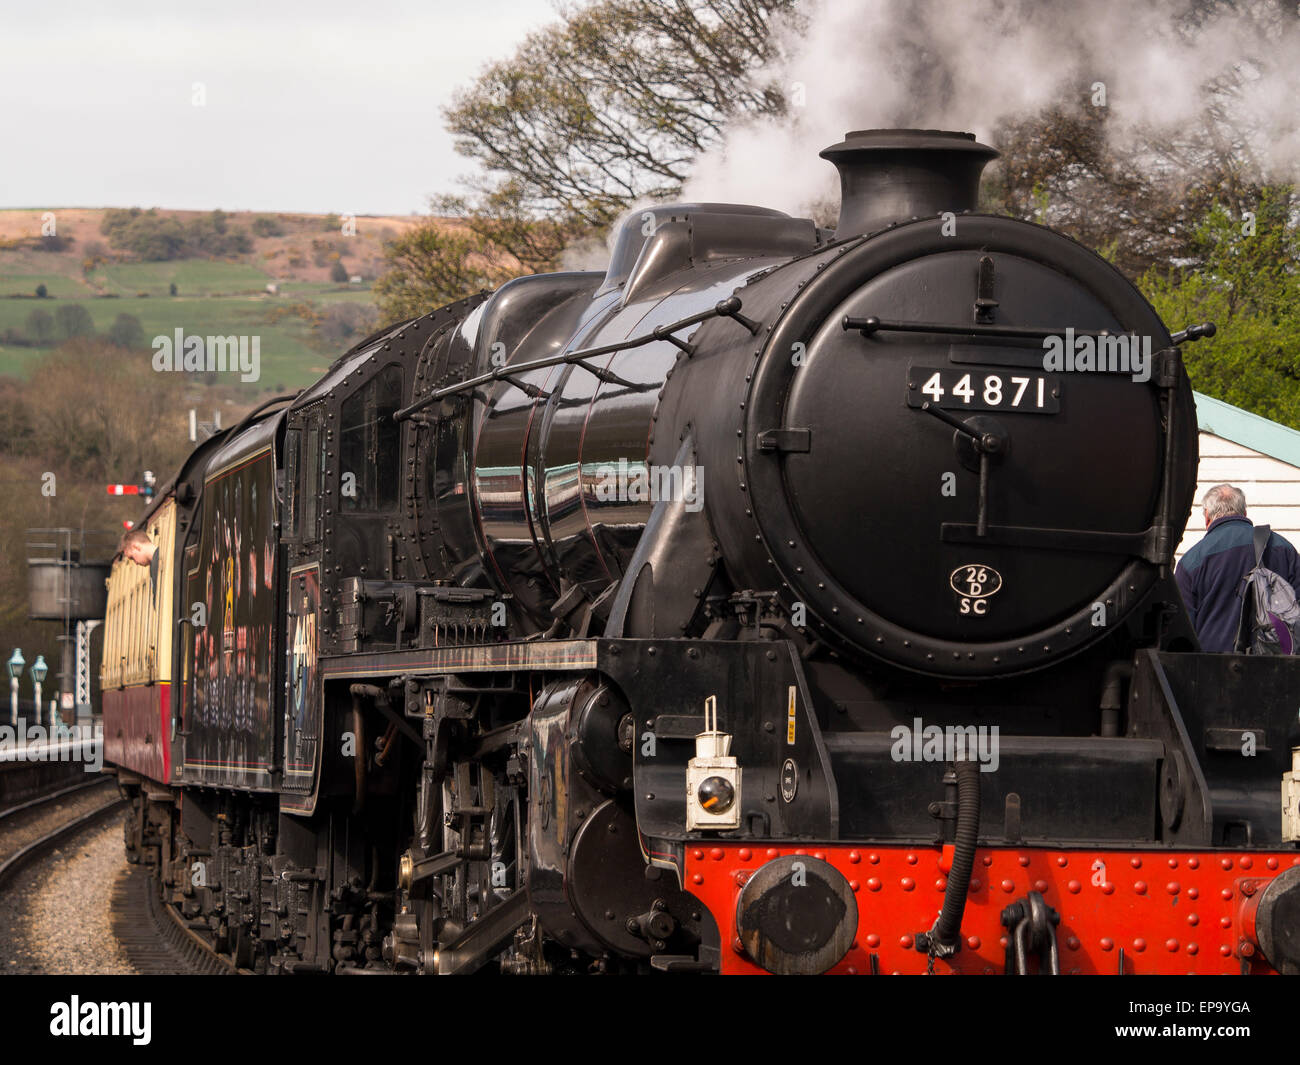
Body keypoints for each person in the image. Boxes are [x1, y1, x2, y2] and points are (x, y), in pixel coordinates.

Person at [1175, 484, 1300, 652]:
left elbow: (1182, 633)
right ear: (1244, 513)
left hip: (1214, 669)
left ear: (1207, 517)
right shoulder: (1284, 549)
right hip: (1278, 666)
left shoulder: (1191, 561)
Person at [119, 526, 159, 596]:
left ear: (136, 547)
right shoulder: (157, 561)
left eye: (132, 558)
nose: (136, 563)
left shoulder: (158, 561)